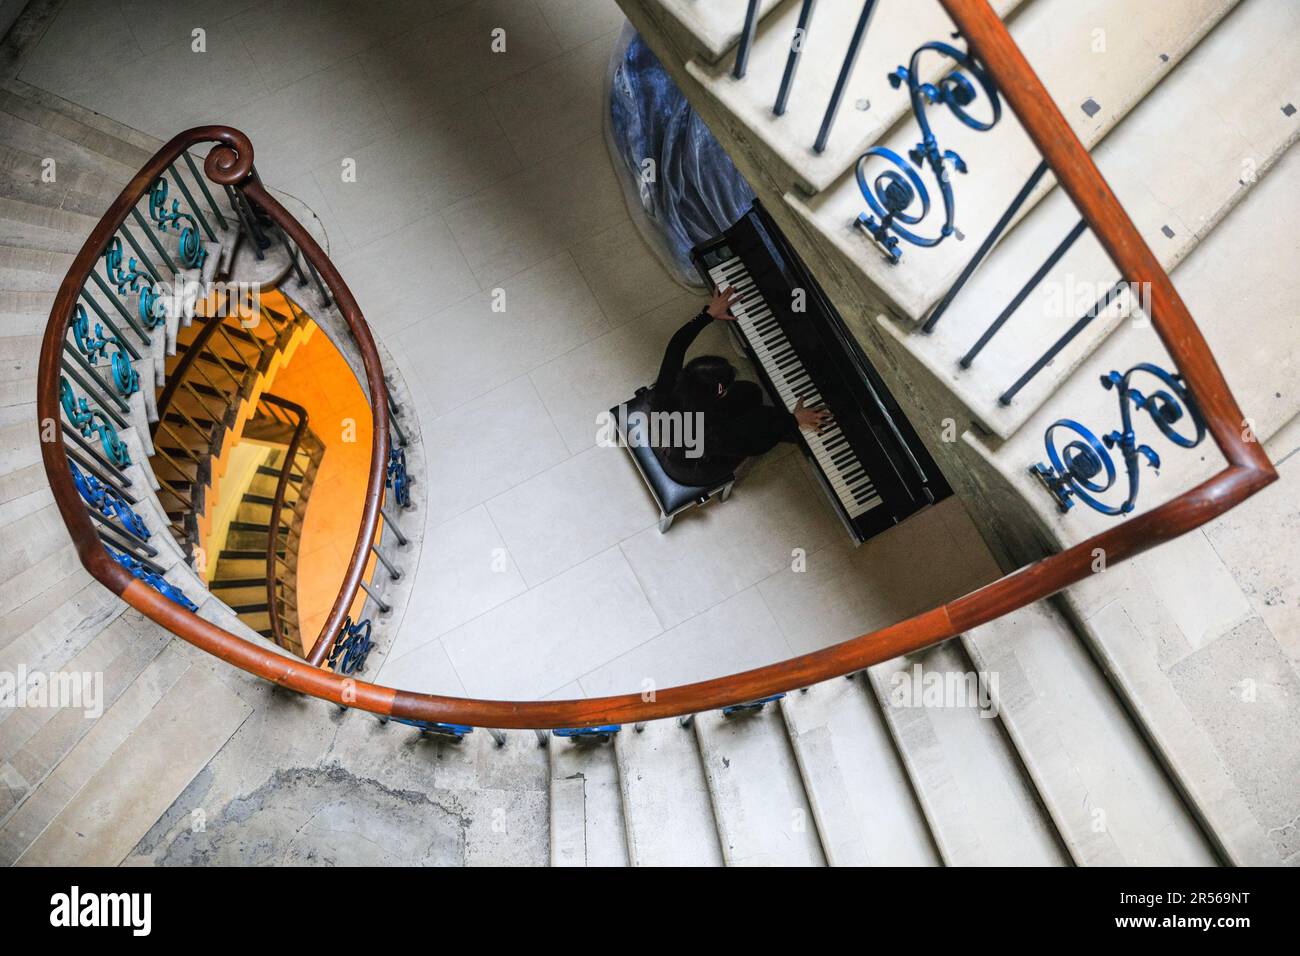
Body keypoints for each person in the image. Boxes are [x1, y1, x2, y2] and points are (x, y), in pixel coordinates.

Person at [648, 285, 832, 486]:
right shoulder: (715, 434)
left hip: (677, 434)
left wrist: (708, 314)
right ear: (719, 391)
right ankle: (795, 428)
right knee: (762, 420)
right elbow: (757, 444)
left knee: (750, 392)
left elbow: (677, 345)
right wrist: (793, 419)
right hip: (698, 467)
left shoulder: (666, 391)